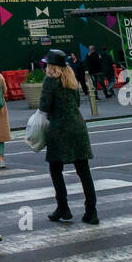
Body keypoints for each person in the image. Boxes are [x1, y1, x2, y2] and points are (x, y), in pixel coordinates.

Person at [39, 50, 98, 225]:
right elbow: (77, 103)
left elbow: (44, 105)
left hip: (59, 129)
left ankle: (63, 207)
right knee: (84, 171)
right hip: (77, 127)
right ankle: (91, 211)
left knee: (56, 170)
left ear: (51, 66)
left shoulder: (50, 81)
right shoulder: (71, 79)